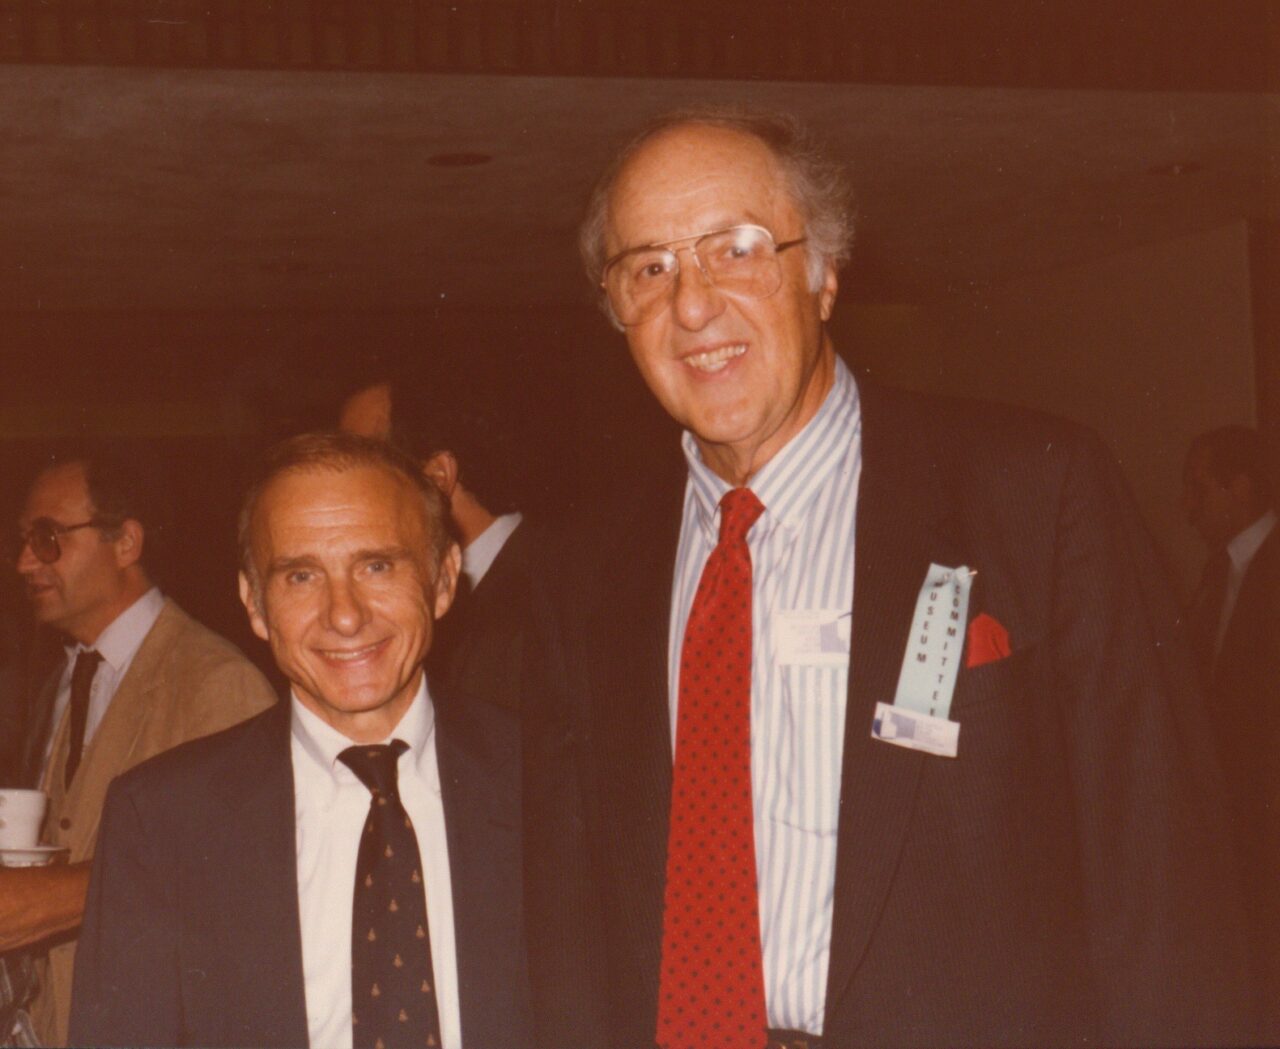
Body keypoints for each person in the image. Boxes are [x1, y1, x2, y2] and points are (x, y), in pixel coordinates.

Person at [523, 108, 1252, 1048]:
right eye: (649, 268)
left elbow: (1161, 874)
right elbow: (572, 916)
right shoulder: (583, 568)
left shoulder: (1033, 490)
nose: (692, 304)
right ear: (615, 307)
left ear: (824, 273)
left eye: (736, 248)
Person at [69, 433, 532, 1049]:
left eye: (377, 565)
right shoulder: (162, 822)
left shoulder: (549, 781)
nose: (344, 614)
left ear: (444, 578)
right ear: (255, 604)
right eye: (302, 575)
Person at [4, 450, 275, 1046]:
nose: (24, 561)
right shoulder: (59, 681)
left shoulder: (216, 682)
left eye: (47, 538)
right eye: (23, 540)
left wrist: (49, 899)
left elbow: (240, 889)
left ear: (126, 542)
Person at [340, 376, 531, 711]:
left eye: (364, 467)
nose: (341, 495)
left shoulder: (552, 598)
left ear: (436, 478)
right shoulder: (411, 596)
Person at [1183, 424, 1279, 1011]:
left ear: (1240, 487)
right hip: (1237, 813)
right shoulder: (1216, 576)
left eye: (1199, 489)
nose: (1187, 508)